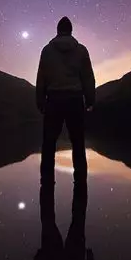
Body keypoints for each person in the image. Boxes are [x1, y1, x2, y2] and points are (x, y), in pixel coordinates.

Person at [36, 16, 96, 186]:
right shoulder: (82, 51)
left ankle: (46, 184)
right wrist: (90, 99)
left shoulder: (47, 51)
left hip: (53, 101)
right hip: (75, 101)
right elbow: (88, 78)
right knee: (78, 144)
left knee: (48, 145)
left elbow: (41, 78)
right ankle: (80, 183)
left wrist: (40, 101)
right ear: (71, 31)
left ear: (57, 30)